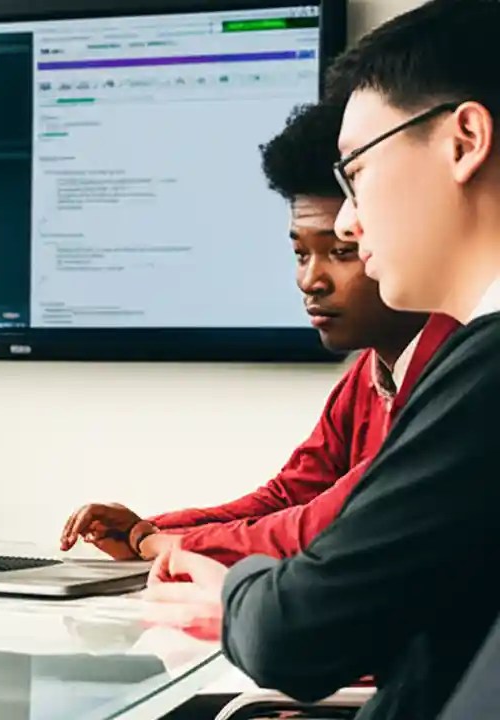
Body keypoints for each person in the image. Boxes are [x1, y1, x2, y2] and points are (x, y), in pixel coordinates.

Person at [150, 0, 500, 717]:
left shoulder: (486, 371)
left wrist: (233, 585)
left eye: (358, 171)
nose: (347, 219)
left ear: (464, 140)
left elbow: (297, 633)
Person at [59, 102, 458, 566]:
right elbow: (288, 497)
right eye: (300, 254)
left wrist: (164, 545)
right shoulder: (370, 372)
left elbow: (326, 523)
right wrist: (150, 530)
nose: (311, 280)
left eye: (342, 251)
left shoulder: (455, 366)